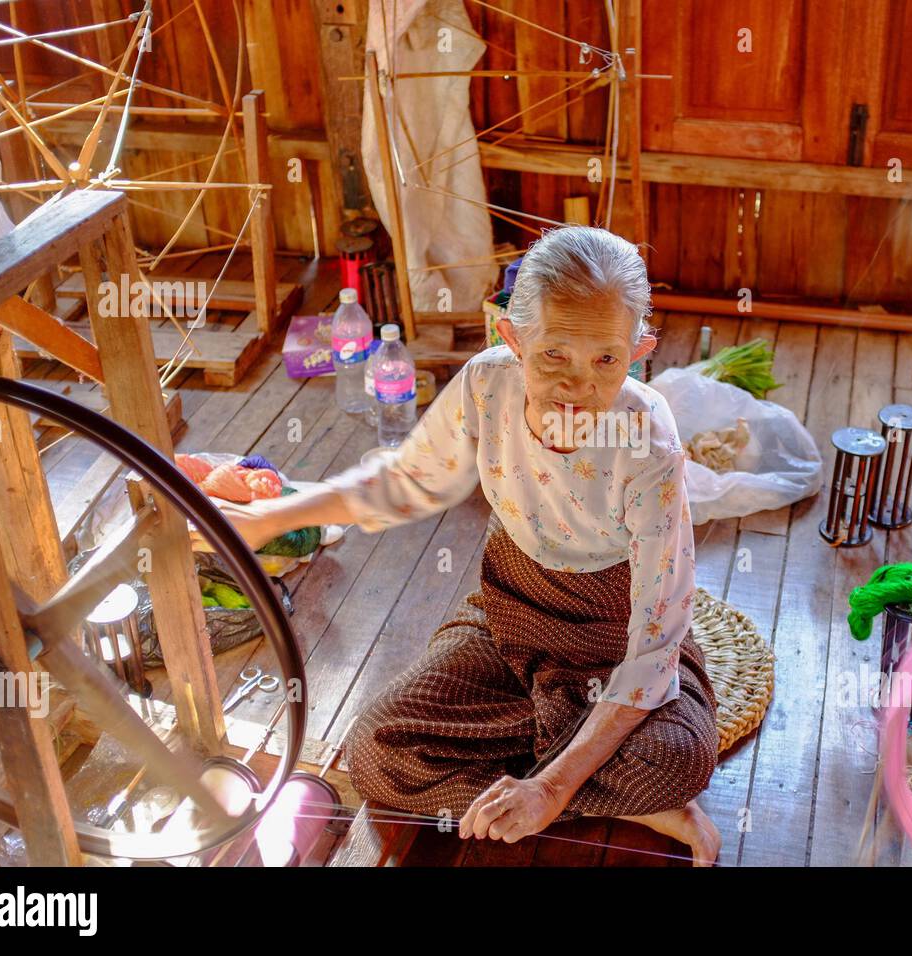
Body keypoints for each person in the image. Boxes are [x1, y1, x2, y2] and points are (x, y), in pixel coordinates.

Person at [218, 226, 721, 865]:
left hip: (610, 631)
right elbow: (404, 482)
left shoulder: (648, 442)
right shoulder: (487, 387)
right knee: (376, 751)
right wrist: (267, 518)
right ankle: (599, 783)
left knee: (676, 760)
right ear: (513, 340)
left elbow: (655, 644)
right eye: (552, 356)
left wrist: (549, 787)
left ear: (638, 351)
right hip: (508, 616)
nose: (578, 387)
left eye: (606, 359)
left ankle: (572, 781)